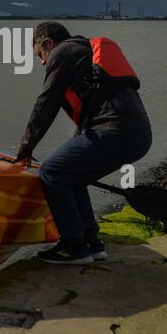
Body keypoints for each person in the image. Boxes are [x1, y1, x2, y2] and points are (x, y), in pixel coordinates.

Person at [15, 22, 152, 265]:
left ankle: (74, 247)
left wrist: (25, 149)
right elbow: (93, 111)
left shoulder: (62, 52)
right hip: (138, 135)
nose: (42, 62)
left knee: (51, 172)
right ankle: (92, 243)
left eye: (39, 55)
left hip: (115, 132)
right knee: (70, 173)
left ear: (48, 43)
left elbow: (47, 102)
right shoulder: (83, 52)